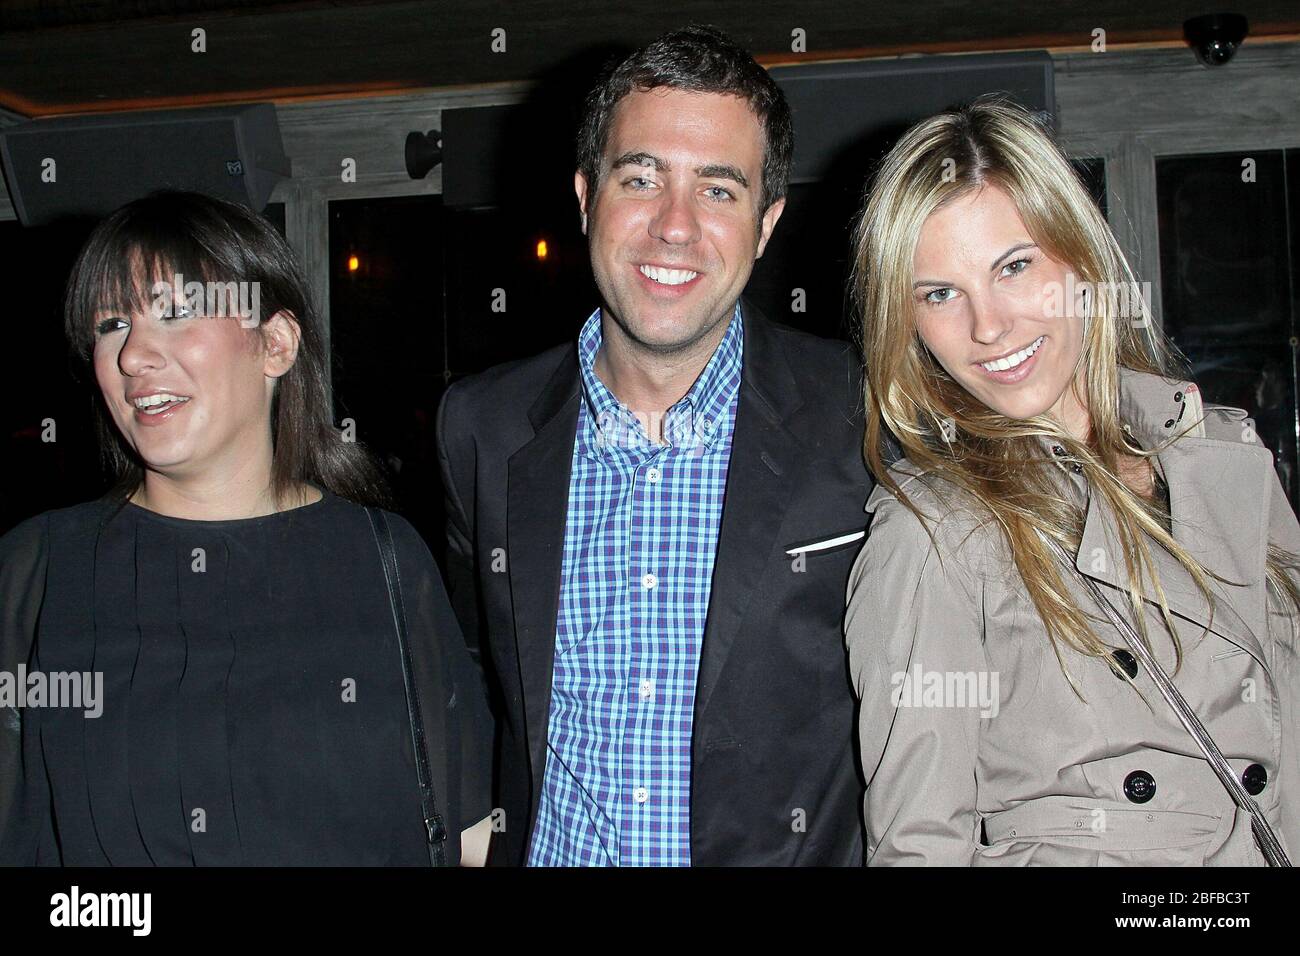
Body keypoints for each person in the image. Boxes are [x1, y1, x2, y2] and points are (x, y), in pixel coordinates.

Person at [436, 25, 871, 866]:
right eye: (641, 178)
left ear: (767, 222)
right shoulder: (480, 426)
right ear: (585, 197)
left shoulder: (864, 413)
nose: (674, 227)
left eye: (718, 190)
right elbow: (470, 670)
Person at [844, 95, 1300, 865]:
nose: (987, 327)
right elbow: (918, 845)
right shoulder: (932, 530)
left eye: (1014, 267)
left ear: (1080, 260)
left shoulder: (1223, 456)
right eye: (940, 294)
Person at [0, 190, 494, 866]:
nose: (134, 355)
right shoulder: (37, 570)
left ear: (276, 343)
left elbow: (467, 835)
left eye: (176, 313)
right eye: (112, 323)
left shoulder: (382, 561)